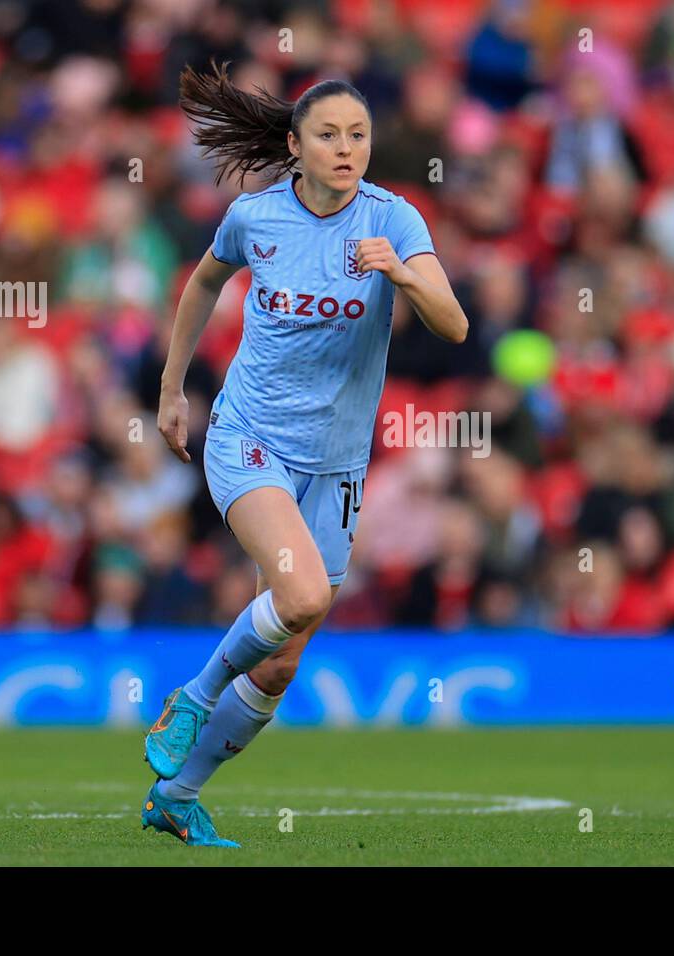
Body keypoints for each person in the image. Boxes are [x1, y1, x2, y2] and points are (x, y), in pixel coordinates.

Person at [140, 61, 468, 847]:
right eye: (328, 135)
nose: (346, 147)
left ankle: (176, 796)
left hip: (338, 465)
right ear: (295, 145)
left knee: (283, 664)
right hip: (251, 438)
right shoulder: (257, 218)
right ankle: (192, 696)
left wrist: (401, 276)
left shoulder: (394, 223)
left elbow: (454, 326)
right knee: (304, 594)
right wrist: (171, 386)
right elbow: (202, 282)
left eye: (358, 134)